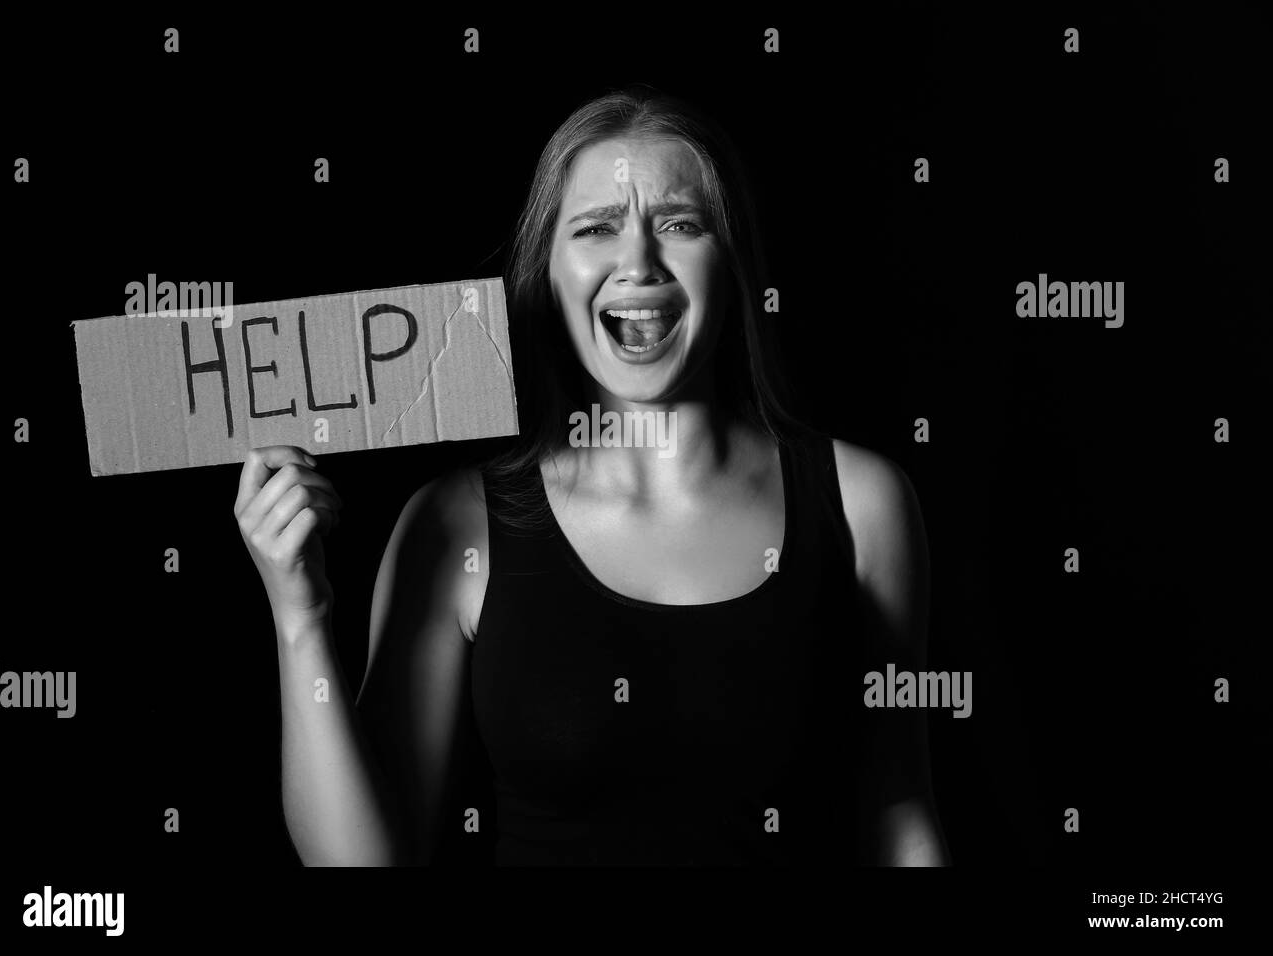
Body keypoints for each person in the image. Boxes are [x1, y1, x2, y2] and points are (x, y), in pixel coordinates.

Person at [234, 86, 950, 866]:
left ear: (734, 260)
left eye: (679, 224)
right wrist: (298, 614)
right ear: (549, 267)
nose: (638, 262)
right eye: (596, 228)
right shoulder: (457, 522)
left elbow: (899, 816)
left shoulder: (863, 503)